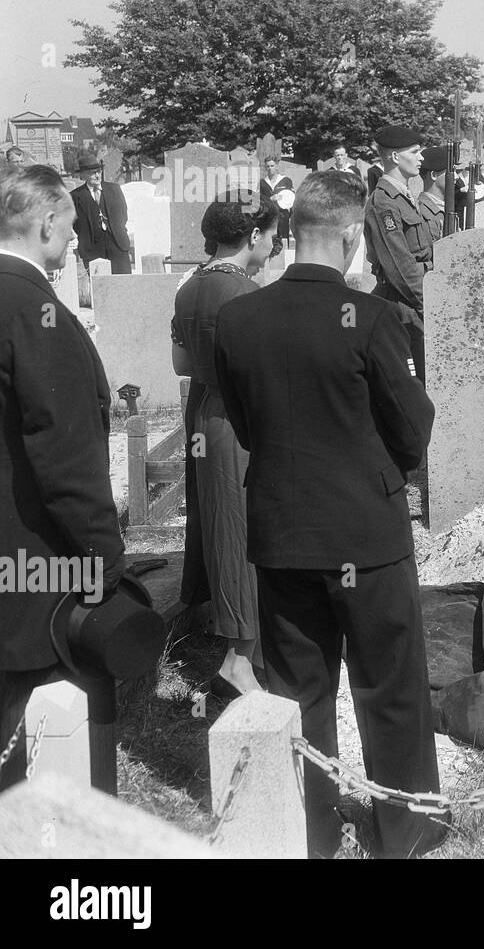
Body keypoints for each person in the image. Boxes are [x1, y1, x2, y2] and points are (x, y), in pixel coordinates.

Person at [213, 171, 444, 858]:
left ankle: (308, 833)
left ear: (291, 231)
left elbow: (247, 425)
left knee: (299, 694)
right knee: (390, 692)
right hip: (365, 540)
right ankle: (406, 828)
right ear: (349, 235)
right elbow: (412, 432)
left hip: (284, 534)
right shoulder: (370, 319)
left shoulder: (237, 317)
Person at [0, 165, 125, 788]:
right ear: (47, 222)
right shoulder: (33, 311)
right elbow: (64, 456)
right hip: (31, 565)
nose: (77, 239)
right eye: (71, 227)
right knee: (35, 737)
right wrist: (103, 559)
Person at [172, 191, 280, 697]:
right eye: (272, 236)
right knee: (242, 532)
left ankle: (250, 651)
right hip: (237, 420)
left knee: (224, 527)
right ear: (253, 235)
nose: (274, 246)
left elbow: (180, 364)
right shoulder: (246, 293)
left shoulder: (189, 286)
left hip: (204, 412)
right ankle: (237, 661)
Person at [364, 124, 434, 381]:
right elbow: (401, 270)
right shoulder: (384, 202)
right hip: (403, 309)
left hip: (414, 305)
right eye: (415, 152)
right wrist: (431, 304)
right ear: (395, 157)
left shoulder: (404, 197)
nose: (421, 158)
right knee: (414, 384)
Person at [70, 151, 131, 274]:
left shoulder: (114, 189)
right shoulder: (75, 196)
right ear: (83, 175)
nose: (97, 176)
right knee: (100, 287)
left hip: (118, 245)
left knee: (124, 285)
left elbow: (123, 215)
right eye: (92, 173)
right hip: (92, 249)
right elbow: (76, 224)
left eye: (98, 172)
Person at [259, 155, 294, 241]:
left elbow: (291, 197)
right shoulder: (262, 182)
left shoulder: (286, 180)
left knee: (283, 242)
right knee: (270, 242)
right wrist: (270, 199)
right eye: (267, 166)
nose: (270, 168)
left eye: (272, 166)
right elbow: (260, 200)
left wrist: (281, 197)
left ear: (277, 166)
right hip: (269, 217)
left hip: (282, 216)